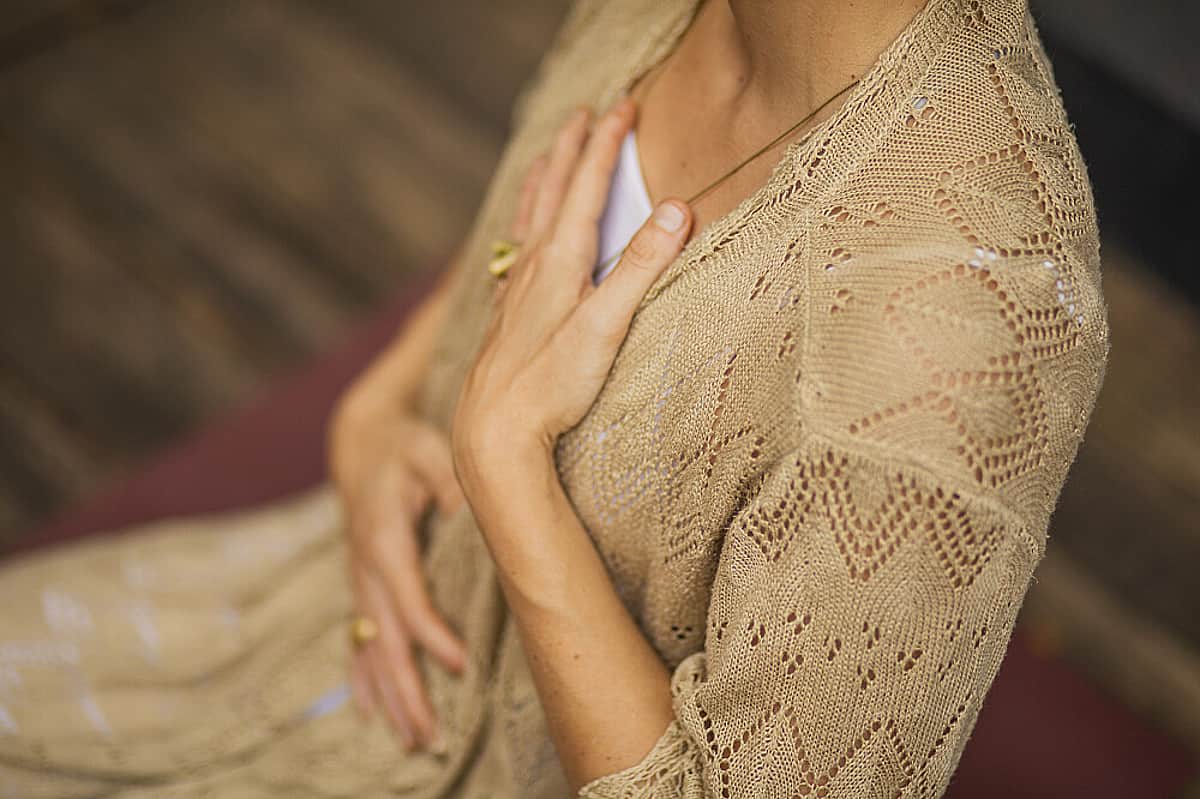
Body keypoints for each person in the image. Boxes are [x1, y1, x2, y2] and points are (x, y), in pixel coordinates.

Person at [0, 0, 1110, 795]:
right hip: (337, 614)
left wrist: (502, 463)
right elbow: (539, 239)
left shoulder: (966, 316)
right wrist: (377, 409)